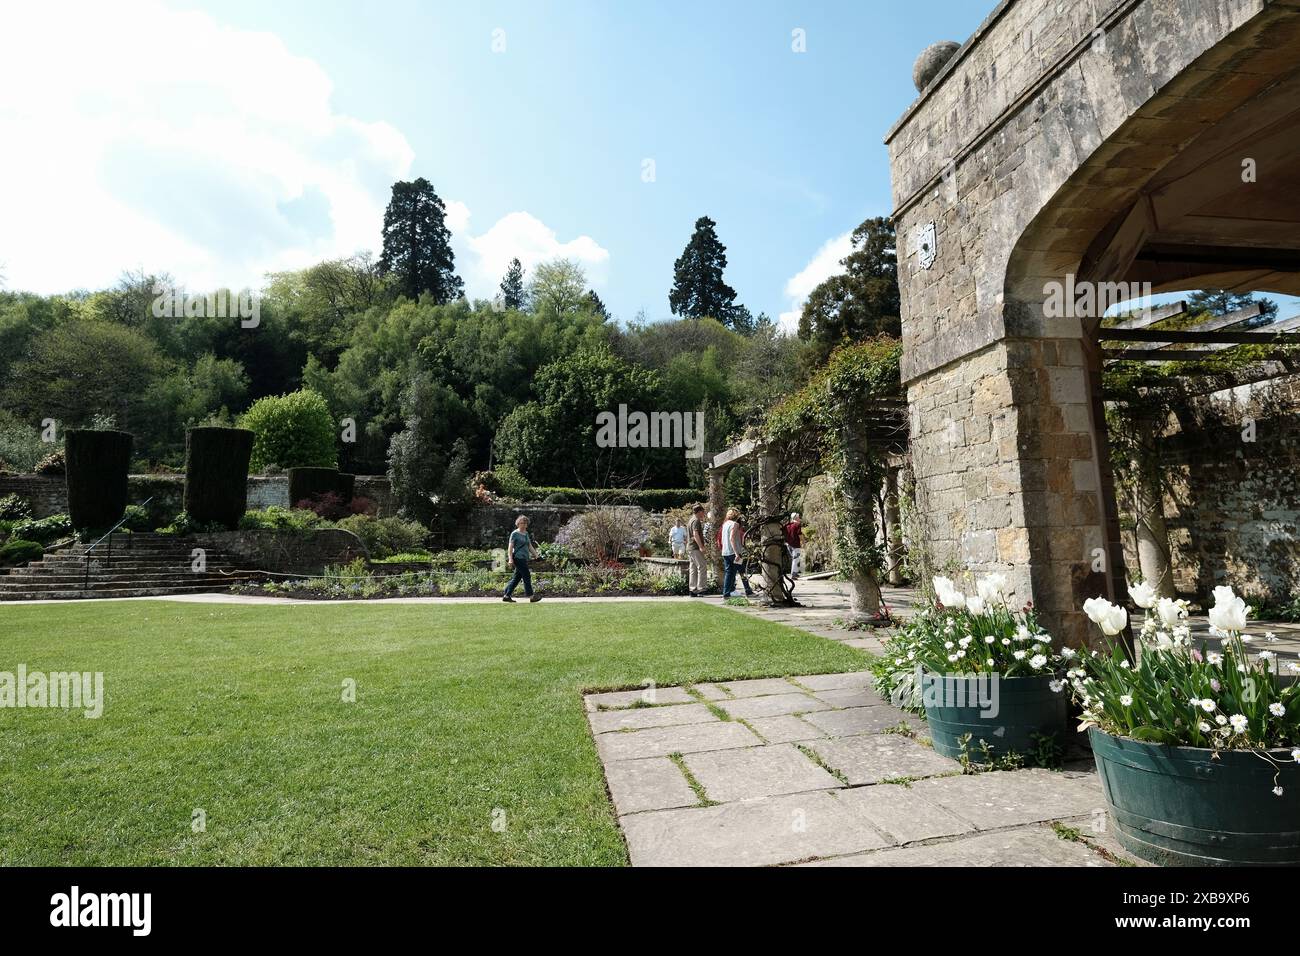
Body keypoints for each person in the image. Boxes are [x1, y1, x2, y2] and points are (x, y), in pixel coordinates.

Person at [503, 515, 542, 603]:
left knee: (516, 578)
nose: (524, 525)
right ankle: (531, 596)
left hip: (524, 558)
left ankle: (507, 595)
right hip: (517, 558)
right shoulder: (514, 534)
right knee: (526, 575)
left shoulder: (526, 534)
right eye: (522, 523)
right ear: (518, 524)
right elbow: (510, 547)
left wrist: (536, 555)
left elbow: (529, 546)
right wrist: (510, 559)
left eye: (525, 523)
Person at [720, 508, 753, 599]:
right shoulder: (735, 524)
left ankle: (727, 593)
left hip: (725, 552)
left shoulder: (725, 524)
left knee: (729, 573)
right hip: (734, 552)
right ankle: (748, 591)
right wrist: (736, 553)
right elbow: (732, 538)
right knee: (741, 571)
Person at [686, 505, 709, 596]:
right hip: (695, 548)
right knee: (702, 567)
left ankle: (692, 589)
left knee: (693, 568)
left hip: (690, 548)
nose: (704, 514)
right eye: (703, 512)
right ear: (699, 512)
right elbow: (695, 534)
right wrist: (701, 547)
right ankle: (701, 589)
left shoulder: (690, 520)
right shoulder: (696, 521)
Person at [785, 512, 803, 578]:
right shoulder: (797, 525)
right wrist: (803, 541)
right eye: (798, 517)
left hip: (788, 544)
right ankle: (794, 574)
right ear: (796, 518)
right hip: (795, 544)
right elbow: (799, 534)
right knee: (796, 559)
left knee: (794, 559)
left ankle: (795, 572)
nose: (799, 518)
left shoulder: (787, 525)